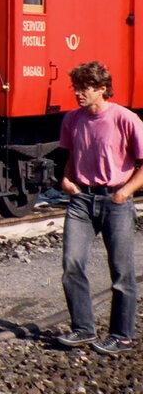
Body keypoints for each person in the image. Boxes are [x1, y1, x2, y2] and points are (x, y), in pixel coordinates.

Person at [56, 61, 143, 356]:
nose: (78, 94)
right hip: (81, 201)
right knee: (72, 264)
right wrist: (67, 179)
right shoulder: (72, 119)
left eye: (84, 88)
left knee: (121, 272)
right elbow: (71, 155)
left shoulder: (126, 119)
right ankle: (83, 329)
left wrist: (124, 192)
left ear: (102, 89)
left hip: (115, 201)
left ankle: (122, 335)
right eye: (76, 88)